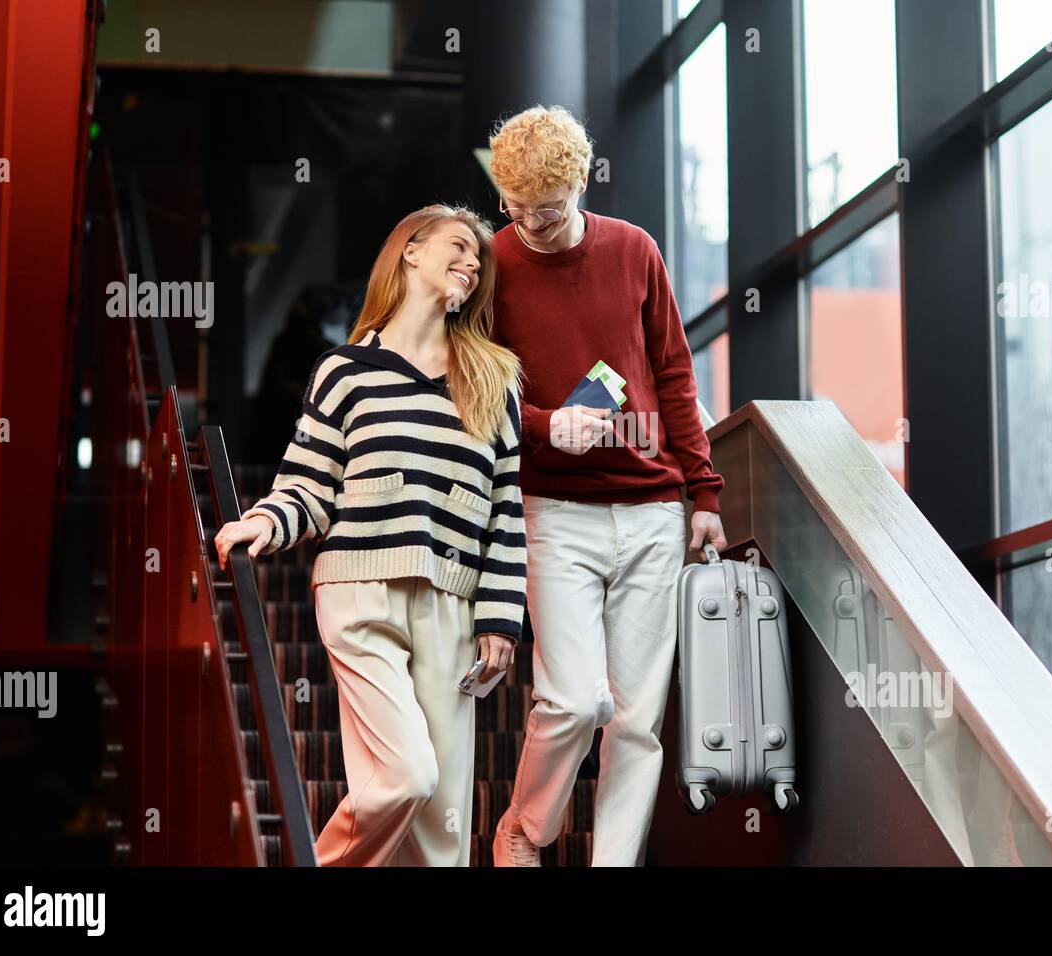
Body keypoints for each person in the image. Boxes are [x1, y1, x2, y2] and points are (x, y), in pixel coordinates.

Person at [213, 204, 526, 867]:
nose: (473, 263)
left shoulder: (494, 381)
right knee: (406, 777)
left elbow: (506, 512)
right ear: (409, 252)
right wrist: (267, 520)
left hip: (452, 607)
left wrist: (501, 619)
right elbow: (310, 483)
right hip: (360, 596)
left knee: (442, 834)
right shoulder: (344, 372)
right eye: (459, 247)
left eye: (480, 260)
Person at [486, 105, 728, 867]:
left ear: (580, 187)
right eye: (516, 208)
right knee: (571, 701)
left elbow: (676, 374)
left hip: (654, 509)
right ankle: (527, 828)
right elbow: (473, 392)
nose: (531, 224)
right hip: (552, 511)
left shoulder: (634, 251)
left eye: (547, 210)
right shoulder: (491, 265)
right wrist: (541, 425)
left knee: (635, 722)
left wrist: (706, 493)